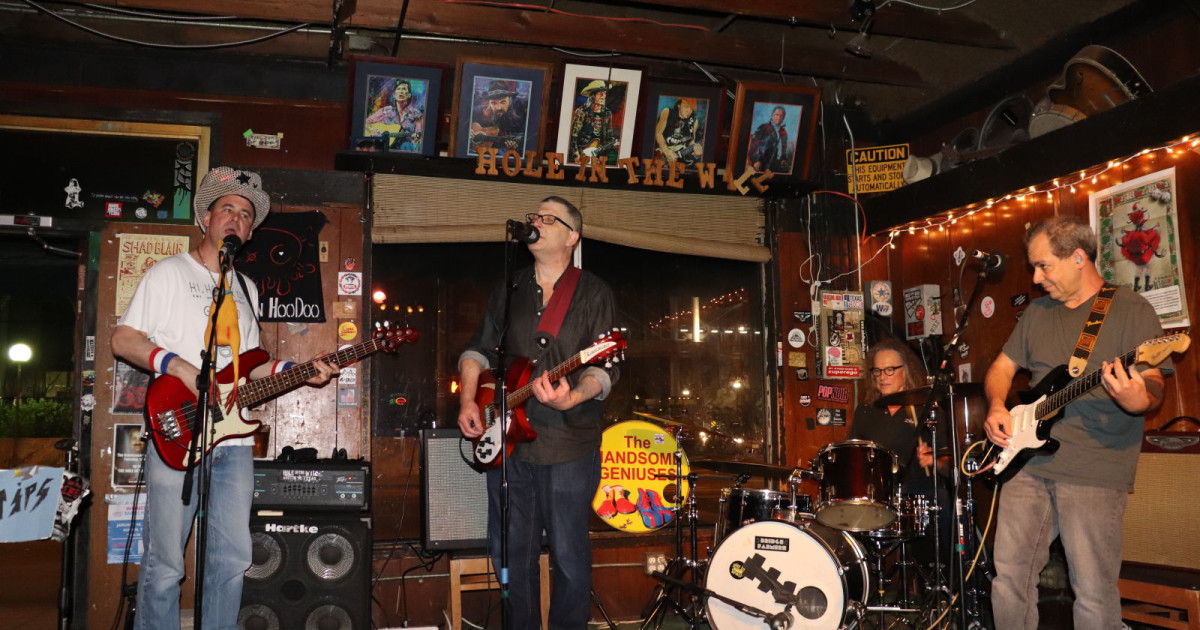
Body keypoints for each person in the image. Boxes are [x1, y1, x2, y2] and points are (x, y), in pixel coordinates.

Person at [111, 166, 339, 630]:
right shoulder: (169, 273)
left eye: (245, 215)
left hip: (233, 441)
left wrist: (298, 373)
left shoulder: (246, 288)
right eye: (227, 209)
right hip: (179, 427)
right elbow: (123, 339)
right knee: (167, 561)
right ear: (206, 219)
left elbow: (249, 364)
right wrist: (180, 367)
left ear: (250, 232)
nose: (235, 218)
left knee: (232, 556)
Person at [984, 215, 1168, 630]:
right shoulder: (1036, 313)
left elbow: (1154, 386)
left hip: (1094, 467)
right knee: (1009, 579)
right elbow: (1001, 367)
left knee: (1092, 590)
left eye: (1044, 266)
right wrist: (997, 406)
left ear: (1079, 257)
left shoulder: (1129, 309)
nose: (1035, 278)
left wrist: (1137, 398)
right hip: (1027, 464)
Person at [457, 196, 618, 629]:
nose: (536, 222)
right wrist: (470, 400)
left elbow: (606, 368)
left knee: (568, 555)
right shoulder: (509, 289)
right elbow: (476, 350)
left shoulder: (594, 291)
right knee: (510, 552)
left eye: (549, 218)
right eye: (534, 216)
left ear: (572, 236)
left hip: (569, 442)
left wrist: (574, 395)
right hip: (508, 442)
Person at [848, 338, 951, 572]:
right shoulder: (866, 411)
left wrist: (935, 461)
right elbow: (855, 455)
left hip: (920, 495)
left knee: (943, 501)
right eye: (877, 370)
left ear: (906, 371)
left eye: (890, 370)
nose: (882, 376)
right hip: (879, 495)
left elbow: (948, 463)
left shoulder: (927, 409)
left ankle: (945, 580)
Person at [469, 79, 528, 154]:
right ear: (489, 103)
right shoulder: (476, 111)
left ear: (510, 101)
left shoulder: (518, 120)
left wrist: (512, 148)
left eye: (503, 102)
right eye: (493, 103)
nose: (498, 107)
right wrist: (466, 131)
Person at [365, 78, 424, 151]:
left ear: (409, 95)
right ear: (394, 95)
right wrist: (374, 131)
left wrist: (416, 139)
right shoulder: (385, 111)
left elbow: (419, 134)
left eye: (404, 89)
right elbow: (365, 123)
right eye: (398, 89)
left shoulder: (416, 114)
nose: (401, 91)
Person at [569, 80, 619, 165]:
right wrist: (576, 154)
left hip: (599, 151)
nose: (603, 96)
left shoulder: (607, 113)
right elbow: (573, 136)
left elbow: (609, 136)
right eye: (600, 93)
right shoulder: (582, 111)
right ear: (593, 96)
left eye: (605, 93)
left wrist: (612, 143)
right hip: (583, 150)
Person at [653, 97, 703, 166]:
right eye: (686, 107)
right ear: (679, 105)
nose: (688, 111)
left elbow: (691, 143)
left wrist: (696, 153)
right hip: (661, 155)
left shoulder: (694, 121)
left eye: (691, 109)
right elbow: (658, 133)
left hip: (679, 158)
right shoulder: (667, 112)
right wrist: (666, 150)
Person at [747, 105, 791, 173]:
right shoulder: (764, 128)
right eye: (777, 115)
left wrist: (783, 158)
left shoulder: (783, 132)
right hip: (765, 163)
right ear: (772, 115)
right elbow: (755, 145)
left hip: (778, 164)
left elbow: (783, 147)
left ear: (783, 117)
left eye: (781, 115)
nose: (779, 117)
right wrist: (757, 160)